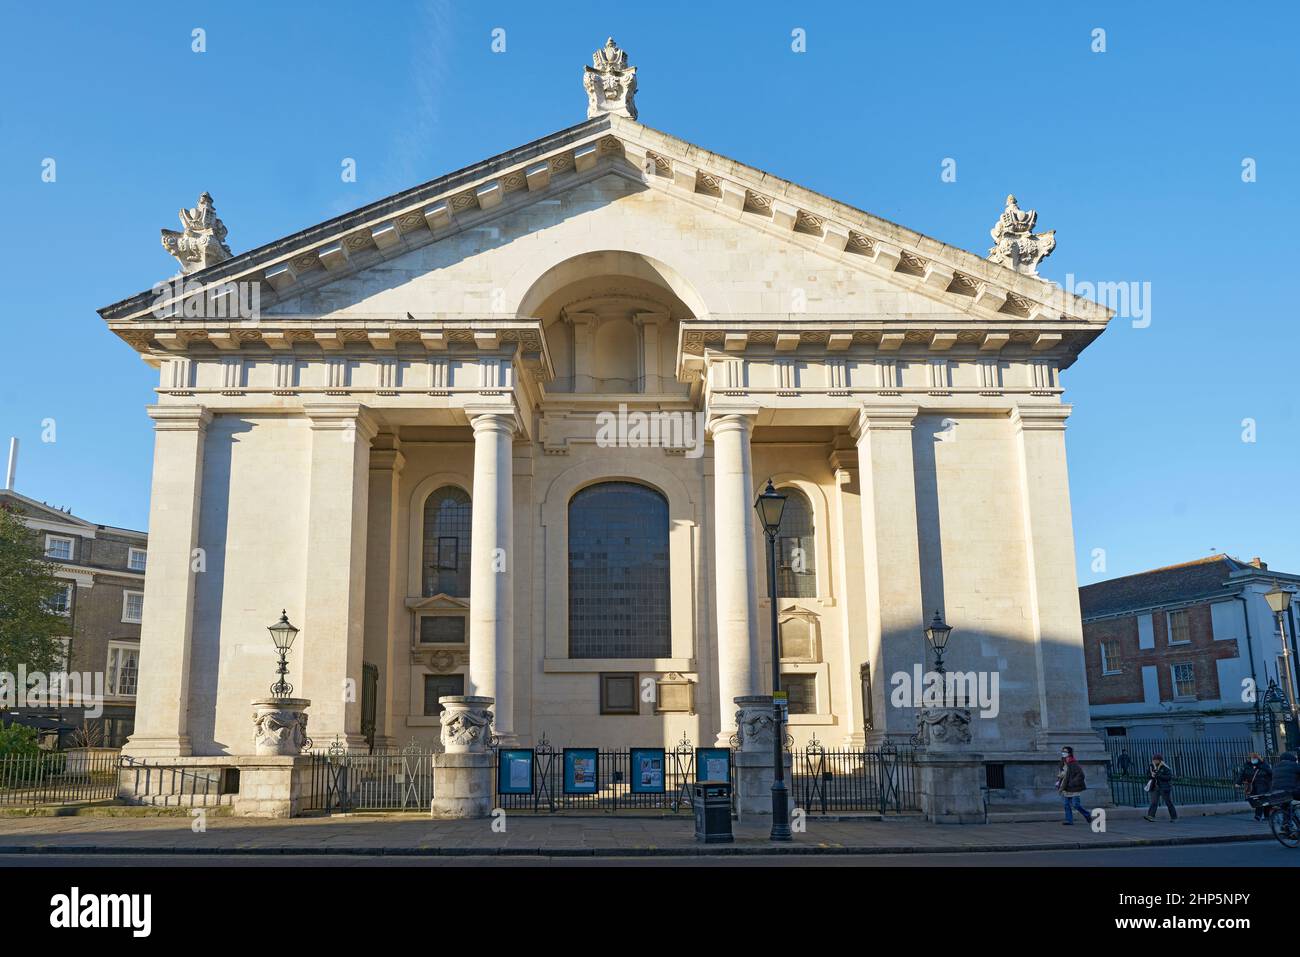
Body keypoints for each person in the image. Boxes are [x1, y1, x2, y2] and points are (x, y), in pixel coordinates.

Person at [1056, 746, 1092, 825]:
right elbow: (1062, 773)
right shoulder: (1062, 762)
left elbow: (1081, 775)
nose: (1063, 753)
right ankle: (1069, 820)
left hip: (1073, 787)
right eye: (1063, 751)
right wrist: (1058, 780)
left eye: (1065, 752)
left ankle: (1087, 814)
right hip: (1065, 786)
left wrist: (1073, 782)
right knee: (1066, 805)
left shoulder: (1073, 763)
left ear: (1069, 753)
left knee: (1076, 805)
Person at [1237, 752, 1273, 822]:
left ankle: (1263, 815)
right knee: (1258, 801)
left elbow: (1271, 773)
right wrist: (1238, 783)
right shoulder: (1247, 766)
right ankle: (1260, 815)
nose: (1253, 760)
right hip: (1253, 787)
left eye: (1255, 758)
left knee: (1265, 801)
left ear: (1258, 758)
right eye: (1252, 758)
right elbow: (1242, 775)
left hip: (1264, 786)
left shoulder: (1264, 765)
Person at [1143, 753, 1176, 822]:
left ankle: (1174, 817)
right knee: (1154, 802)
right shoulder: (1151, 766)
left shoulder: (1165, 767)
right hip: (1154, 787)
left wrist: (1159, 775)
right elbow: (1147, 775)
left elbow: (1168, 777)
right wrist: (1152, 775)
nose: (1154, 761)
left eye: (1156, 760)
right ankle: (1151, 816)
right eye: (1154, 760)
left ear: (1160, 760)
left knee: (1168, 802)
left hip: (1164, 787)